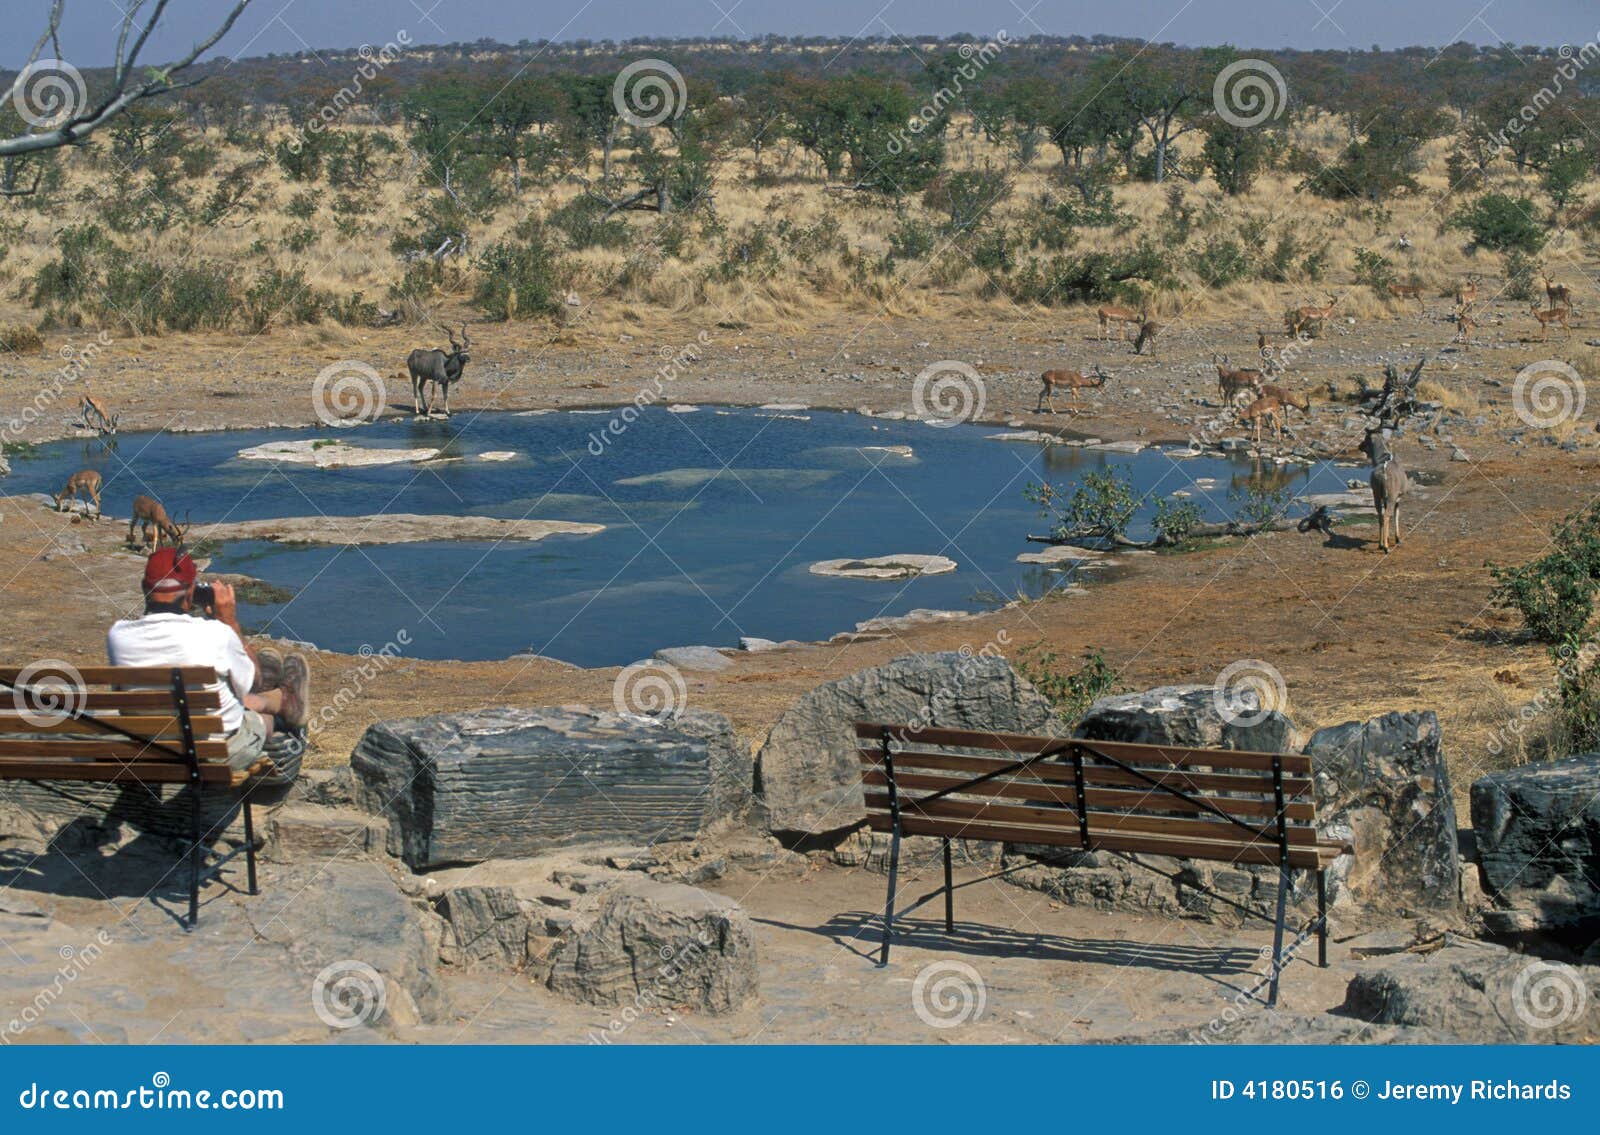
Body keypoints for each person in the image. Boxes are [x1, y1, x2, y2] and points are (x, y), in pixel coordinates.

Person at [107, 547, 309, 773]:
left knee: (211, 694)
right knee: (262, 719)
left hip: (152, 747)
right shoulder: (216, 634)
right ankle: (283, 703)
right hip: (219, 752)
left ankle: (281, 699)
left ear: (144, 587)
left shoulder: (118, 636)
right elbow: (252, 682)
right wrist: (229, 621)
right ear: (191, 590)